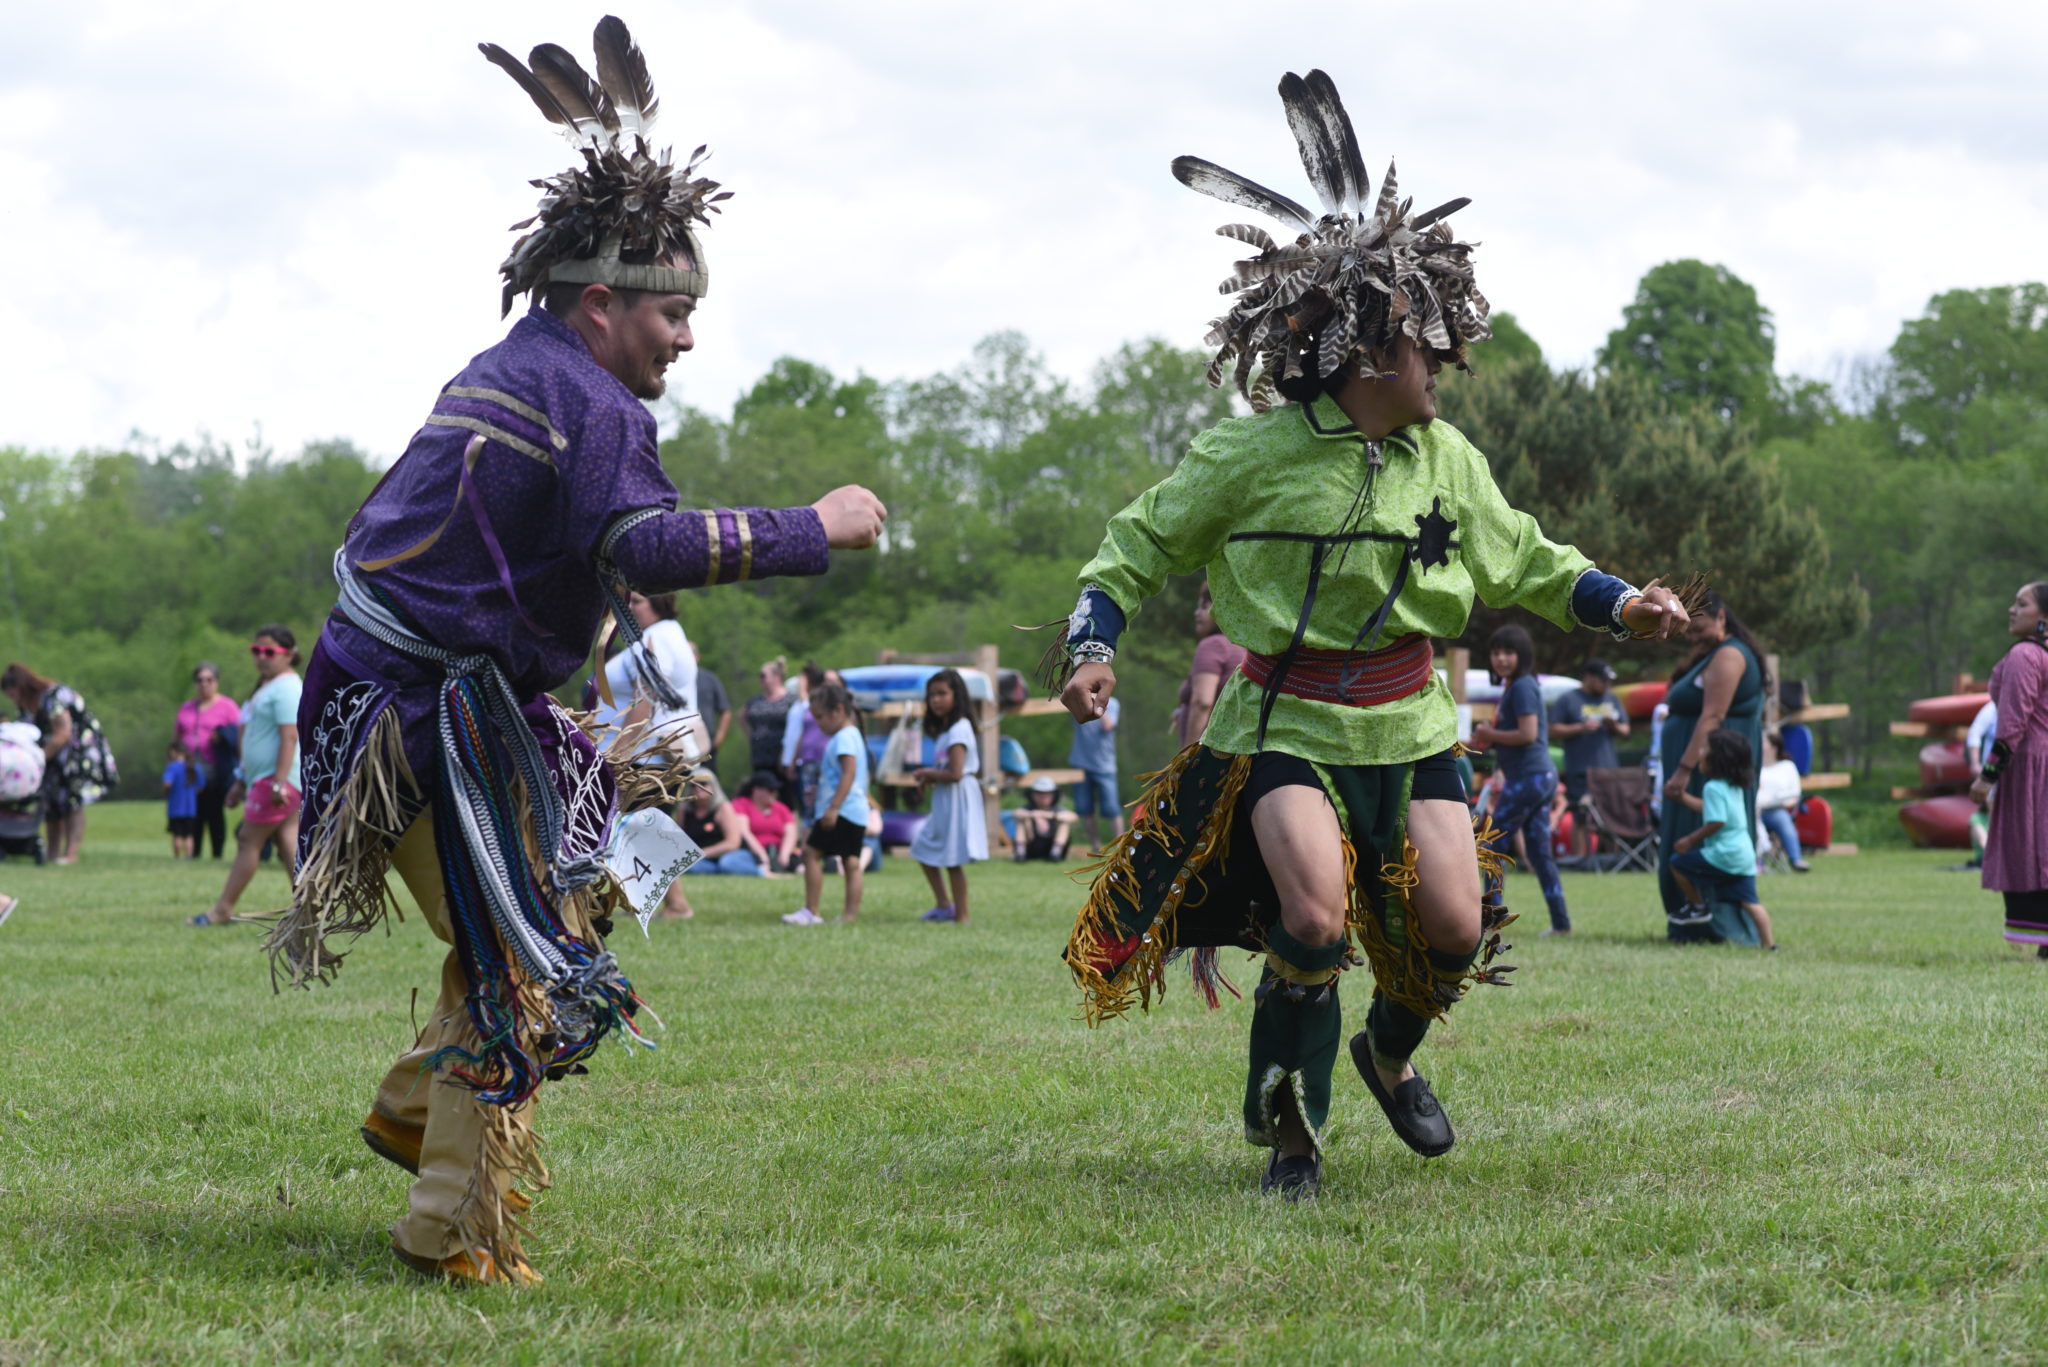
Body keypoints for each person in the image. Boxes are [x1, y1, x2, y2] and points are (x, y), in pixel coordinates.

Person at [261, 19, 886, 1288]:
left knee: (582, 880)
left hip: (420, 691)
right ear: (599, 303)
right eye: (670, 313)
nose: (687, 340)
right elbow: (643, 546)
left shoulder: (528, 367)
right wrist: (807, 529)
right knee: (527, 948)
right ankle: (453, 1228)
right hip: (420, 706)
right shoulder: (590, 399)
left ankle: (409, 1102)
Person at [1053, 69, 1692, 1200]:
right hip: (1285, 718)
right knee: (1311, 914)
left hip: (1410, 721)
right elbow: (1132, 545)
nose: (1442, 358)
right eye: (1423, 341)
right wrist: (1089, 644)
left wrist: (1619, 601)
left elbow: (1528, 558)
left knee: (1451, 925)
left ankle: (1386, 1051)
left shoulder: (1449, 462)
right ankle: (1289, 1124)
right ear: (1362, 354)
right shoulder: (1247, 457)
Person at [1659, 593, 1768, 943]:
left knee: (1708, 840)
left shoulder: (1731, 655)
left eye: (1700, 628)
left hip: (1708, 767)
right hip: (1701, 766)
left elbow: (1713, 716)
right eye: (1689, 632)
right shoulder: (1716, 654)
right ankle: (1692, 922)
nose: (1693, 637)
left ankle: (1718, 926)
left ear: (1722, 618)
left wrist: (1683, 771)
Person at [191, 626, 303, 926]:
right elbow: (254, 738)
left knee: (247, 840)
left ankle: (222, 910)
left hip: (277, 780)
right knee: (286, 840)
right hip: (266, 779)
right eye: (257, 651)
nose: (261, 658)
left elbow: (289, 737)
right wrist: (241, 780)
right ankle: (310, 907)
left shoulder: (288, 688)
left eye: (270, 652)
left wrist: (279, 781)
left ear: (289, 655)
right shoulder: (268, 687)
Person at [1470, 626, 1570, 936]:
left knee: (1491, 847)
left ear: (1522, 655)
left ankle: (1492, 919)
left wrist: (1490, 734)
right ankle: (1561, 924)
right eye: (1495, 652)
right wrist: (1489, 739)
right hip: (1540, 778)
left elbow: (1527, 734)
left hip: (1529, 777)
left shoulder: (1523, 687)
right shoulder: (1518, 685)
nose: (1500, 658)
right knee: (1539, 853)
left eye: (1508, 652)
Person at [1971, 581, 2048, 955]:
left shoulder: (2025, 656)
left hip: (2032, 768)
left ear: (2043, 618)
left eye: (2022, 603)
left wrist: (1988, 776)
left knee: (2033, 846)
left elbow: (2013, 722)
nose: (2011, 609)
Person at [1668, 728, 1778, 951]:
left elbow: (1716, 821)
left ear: (1717, 758)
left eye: (1704, 748)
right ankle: (1769, 944)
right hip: (1744, 854)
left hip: (1724, 853)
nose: (1699, 752)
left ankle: (1698, 906)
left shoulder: (1712, 787)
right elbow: (1711, 809)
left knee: (1677, 864)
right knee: (1750, 902)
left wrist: (1689, 840)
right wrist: (1683, 798)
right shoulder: (1733, 786)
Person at [1, 663, 117, 866]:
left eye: (14, 694)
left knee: (73, 801)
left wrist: (37, 758)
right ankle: (53, 853)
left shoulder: (55, 695)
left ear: (23, 686)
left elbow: (63, 733)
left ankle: (71, 853)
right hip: (49, 757)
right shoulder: (26, 705)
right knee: (51, 803)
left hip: (77, 753)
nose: (14, 699)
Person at [784, 682, 870, 925]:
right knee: (851, 862)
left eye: (820, 717)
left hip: (841, 810)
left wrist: (832, 807)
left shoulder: (843, 738)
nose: (818, 724)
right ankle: (849, 915)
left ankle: (812, 911)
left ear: (838, 710)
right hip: (856, 810)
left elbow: (848, 774)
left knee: (810, 853)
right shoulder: (852, 735)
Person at [911, 669, 989, 923]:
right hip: (945, 799)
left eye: (942, 693)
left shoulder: (959, 729)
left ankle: (962, 916)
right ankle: (945, 905)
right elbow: (947, 771)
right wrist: (929, 777)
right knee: (923, 847)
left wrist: (927, 772)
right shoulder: (947, 731)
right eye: (932, 695)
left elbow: (956, 773)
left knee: (952, 859)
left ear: (958, 695)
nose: (935, 700)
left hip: (958, 799)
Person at [1549, 659, 1629, 856]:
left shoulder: (1611, 699)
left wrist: (1614, 725)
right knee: (1581, 816)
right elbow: (1551, 729)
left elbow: (1625, 730)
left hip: (1608, 770)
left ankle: (1612, 859)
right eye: (1603, 680)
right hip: (1580, 769)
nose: (1607, 685)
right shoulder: (1569, 699)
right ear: (1589, 678)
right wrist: (1580, 728)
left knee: (1612, 816)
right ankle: (1580, 860)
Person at [177, 661, 242, 859]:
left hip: (216, 767)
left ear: (216, 682)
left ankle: (217, 853)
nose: (204, 684)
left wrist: (222, 737)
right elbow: (176, 738)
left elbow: (239, 735)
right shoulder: (187, 708)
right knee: (194, 811)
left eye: (209, 680)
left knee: (214, 811)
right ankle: (193, 852)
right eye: (199, 680)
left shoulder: (228, 706)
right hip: (191, 769)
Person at [1176, 579, 1247, 747]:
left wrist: (1187, 758)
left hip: (1209, 752)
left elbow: (1202, 703)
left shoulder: (1213, 645)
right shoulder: (1246, 647)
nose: (1196, 613)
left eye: (1203, 607)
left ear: (1221, 611)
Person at [679, 775, 772, 877]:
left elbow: (733, 843)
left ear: (713, 786)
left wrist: (703, 853)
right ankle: (719, 870)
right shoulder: (685, 810)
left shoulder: (723, 807)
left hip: (731, 854)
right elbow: (680, 840)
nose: (697, 788)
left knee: (727, 863)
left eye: (703, 784)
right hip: (704, 859)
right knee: (687, 866)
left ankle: (761, 872)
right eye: (693, 785)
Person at [1068, 696, 1122, 853]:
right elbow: (1063, 696)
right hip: (1080, 763)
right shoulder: (1078, 701)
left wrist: (1096, 702)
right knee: (1085, 809)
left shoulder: (1112, 703)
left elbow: (1108, 725)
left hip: (1105, 765)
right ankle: (1096, 847)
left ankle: (1120, 846)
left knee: (1112, 809)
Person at [745, 658, 799, 809]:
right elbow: (742, 716)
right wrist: (752, 734)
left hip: (781, 757)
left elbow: (797, 728)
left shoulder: (790, 700)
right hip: (760, 757)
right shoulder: (756, 701)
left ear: (777, 677)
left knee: (784, 797)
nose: (760, 679)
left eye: (763, 675)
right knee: (761, 795)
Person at [1756, 730, 1811, 872]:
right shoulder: (1755, 768)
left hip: (1776, 808)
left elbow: (1795, 794)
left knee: (1782, 820)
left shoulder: (1787, 767)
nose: (1760, 745)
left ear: (1774, 747)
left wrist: (1784, 803)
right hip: (1755, 809)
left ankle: (1795, 859)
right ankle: (1756, 861)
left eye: (1764, 742)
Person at [733, 769, 800, 873]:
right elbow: (744, 832)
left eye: (775, 790)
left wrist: (784, 855)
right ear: (756, 790)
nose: (774, 793)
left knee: (800, 864)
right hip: (751, 852)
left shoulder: (780, 808)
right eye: (770, 790)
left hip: (778, 851)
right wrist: (762, 855)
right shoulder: (741, 804)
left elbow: (791, 831)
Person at [1008, 776, 1077, 863]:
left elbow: (1073, 817)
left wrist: (1047, 815)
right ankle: (1020, 853)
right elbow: (1016, 813)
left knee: (1064, 824)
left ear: (1053, 795)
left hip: (1051, 845)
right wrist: (1032, 815)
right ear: (1032, 795)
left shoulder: (1057, 809)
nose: (1043, 796)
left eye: (1047, 793)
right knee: (1022, 821)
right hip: (1032, 846)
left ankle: (1056, 853)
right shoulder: (1028, 808)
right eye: (1039, 793)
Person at [1966, 698, 1998, 869]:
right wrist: (1975, 764)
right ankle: (1996, 854)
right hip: (1994, 772)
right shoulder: (1993, 709)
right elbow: (1975, 733)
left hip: (2022, 775)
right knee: (1995, 809)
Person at [691, 643, 732, 767]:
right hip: (681, 739)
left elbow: (725, 710)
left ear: (697, 656)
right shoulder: (673, 678)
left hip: (707, 739)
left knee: (706, 780)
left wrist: (719, 738)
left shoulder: (709, 679)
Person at [163, 740, 203, 858]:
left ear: (174, 752)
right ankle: (189, 856)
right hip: (191, 807)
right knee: (189, 834)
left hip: (175, 807)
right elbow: (201, 787)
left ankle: (177, 857)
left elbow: (167, 783)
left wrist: (166, 793)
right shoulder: (195, 767)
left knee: (177, 834)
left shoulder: (172, 767)